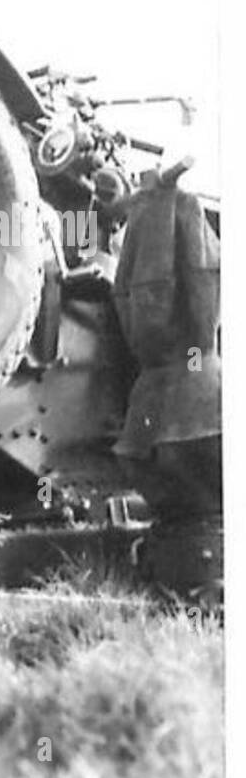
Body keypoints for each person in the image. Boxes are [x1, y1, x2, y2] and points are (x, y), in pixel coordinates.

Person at [111, 172, 221, 598]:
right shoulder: (187, 211)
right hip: (197, 392)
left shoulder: (142, 222)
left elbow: (130, 297)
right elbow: (202, 280)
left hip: (152, 406)